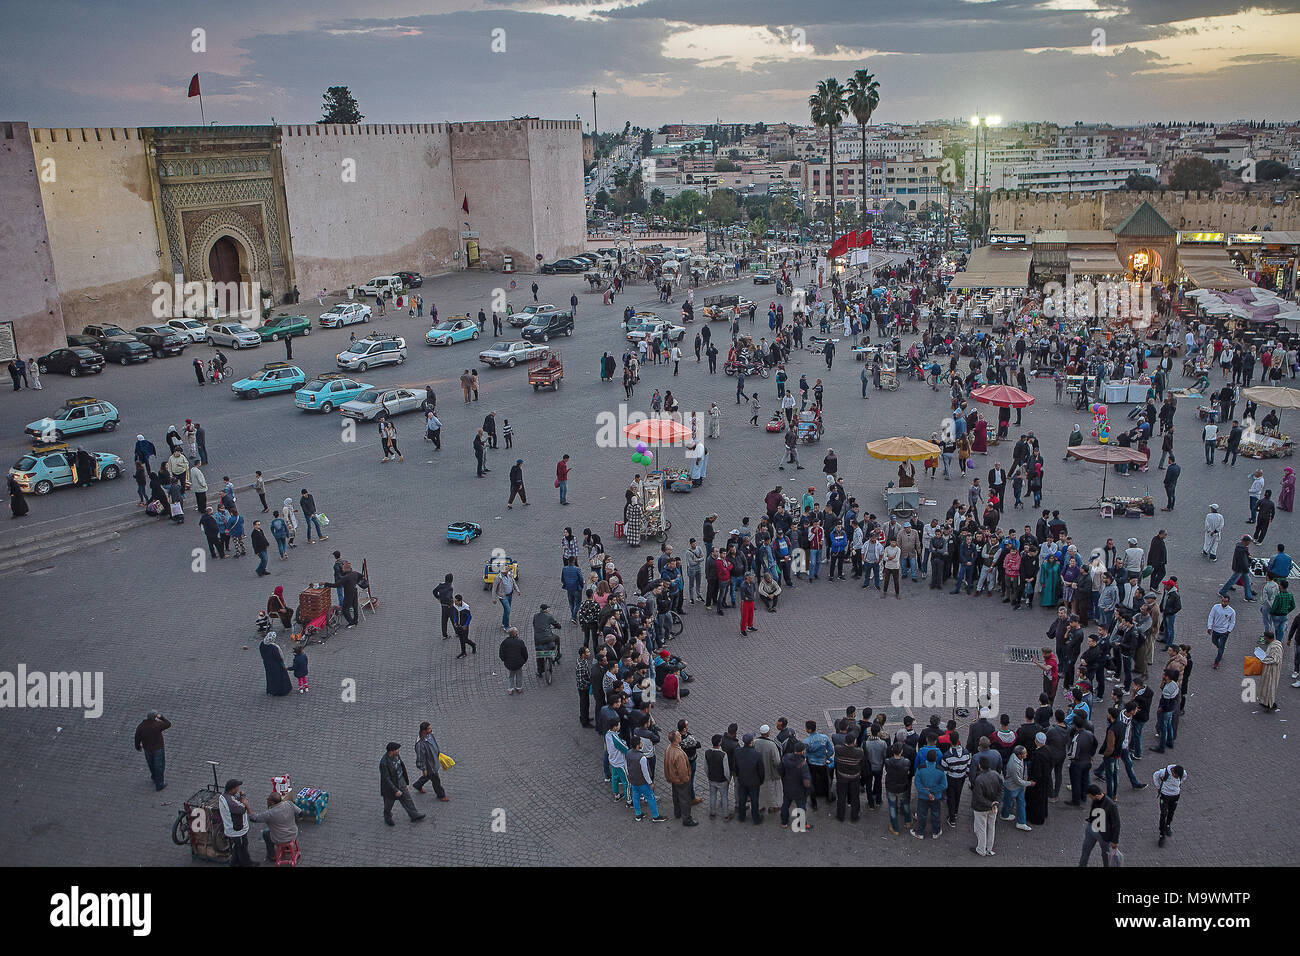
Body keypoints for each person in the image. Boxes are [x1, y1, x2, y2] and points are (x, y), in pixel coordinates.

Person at [250, 790, 304, 863]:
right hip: (293, 832)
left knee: (266, 833)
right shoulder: (289, 804)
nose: (267, 800)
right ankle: (287, 846)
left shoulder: (269, 813)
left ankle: (272, 855)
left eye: (268, 799)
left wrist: (248, 807)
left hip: (280, 838)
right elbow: (301, 813)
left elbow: (254, 819)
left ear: (272, 802)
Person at [379, 742, 426, 826]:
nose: (398, 751)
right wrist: (395, 790)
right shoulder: (384, 763)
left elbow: (402, 767)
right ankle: (387, 817)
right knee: (389, 803)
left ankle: (414, 815)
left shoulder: (396, 756)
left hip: (401, 781)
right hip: (391, 787)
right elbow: (386, 779)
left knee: (407, 798)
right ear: (391, 751)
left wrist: (406, 783)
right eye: (396, 749)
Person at [1079, 784, 1120, 867]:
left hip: (1104, 834)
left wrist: (1115, 841)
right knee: (1086, 849)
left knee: (1106, 855)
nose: (1090, 798)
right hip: (1092, 829)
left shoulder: (1111, 805)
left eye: (1090, 796)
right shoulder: (1096, 800)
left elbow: (1116, 824)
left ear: (1096, 796)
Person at [217, 780, 255, 866]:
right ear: (233, 789)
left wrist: (242, 796)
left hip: (231, 828)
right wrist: (245, 801)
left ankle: (233, 863)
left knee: (238, 847)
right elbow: (243, 808)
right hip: (237, 831)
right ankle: (247, 864)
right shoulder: (231, 803)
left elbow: (237, 800)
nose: (238, 789)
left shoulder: (225, 796)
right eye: (237, 787)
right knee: (242, 848)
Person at [133, 711, 171, 791]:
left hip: (147, 749)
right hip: (158, 749)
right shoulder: (157, 725)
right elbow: (168, 724)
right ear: (155, 717)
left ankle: (154, 777)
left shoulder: (141, 726)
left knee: (151, 764)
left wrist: (138, 746)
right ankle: (159, 784)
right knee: (159, 766)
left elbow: (137, 737)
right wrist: (161, 717)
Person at [413, 722, 450, 799]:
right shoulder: (420, 744)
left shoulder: (429, 735)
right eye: (429, 728)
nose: (431, 729)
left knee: (428, 776)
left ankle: (418, 785)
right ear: (424, 731)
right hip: (429, 765)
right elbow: (420, 758)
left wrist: (438, 752)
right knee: (436, 781)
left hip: (433, 761)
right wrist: (424, 769)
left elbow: (434, 744)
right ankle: (441, 795)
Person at [1154, 764, 1186, 847]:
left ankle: (1167, 825)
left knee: (1171, 812)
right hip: (1165, 795)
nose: (1177, 778)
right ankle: (1162, 834)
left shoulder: (1183, 773)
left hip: (1175, 795)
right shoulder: (1164, 772)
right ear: (1173, 771)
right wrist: (1158, 787)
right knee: (1163, 813)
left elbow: (1184, 777)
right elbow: (1155, 775)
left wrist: (1178, 785)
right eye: (1176, 776)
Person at [498, 625, 528, 695]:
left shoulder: (504, 642)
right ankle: (519, 688)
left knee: (511, 676)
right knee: (519, 675)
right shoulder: (520, 642)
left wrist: (504, 660)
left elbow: (501, 653)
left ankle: (510, 689)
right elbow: (524, 652)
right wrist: (524, 661)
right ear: (515, 634)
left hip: (509, 663)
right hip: (518, 663)